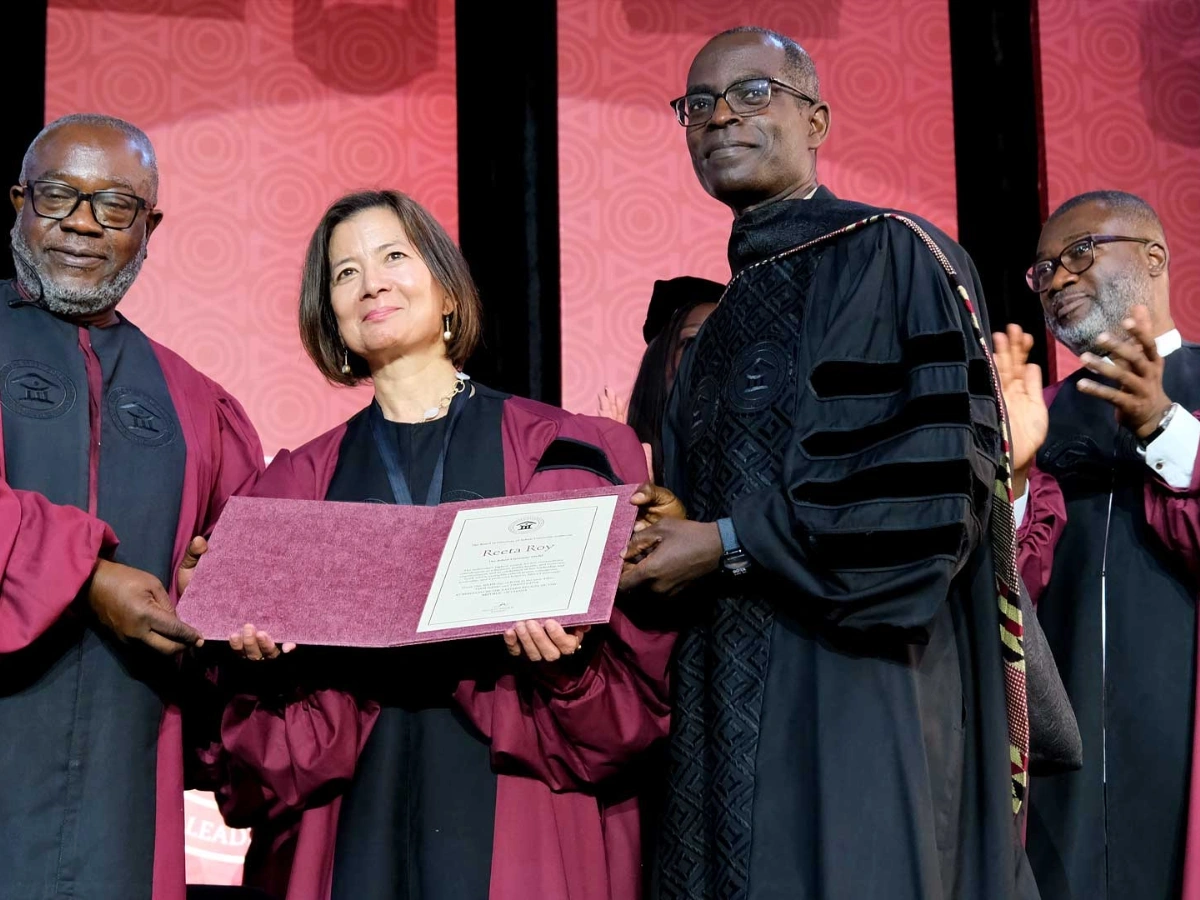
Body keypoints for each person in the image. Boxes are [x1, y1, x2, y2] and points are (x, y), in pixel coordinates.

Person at [619, 27, 1037, 899]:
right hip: (719, 707)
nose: (721, 116)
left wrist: (726, 541)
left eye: (753, 93)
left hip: (855, 687)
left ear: (818, 120)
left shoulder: (887, 254)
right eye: (698, 105)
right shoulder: (714, 325)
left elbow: (913, 505)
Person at [189, 190, 676, 900]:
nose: (372, 282)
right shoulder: (292, 488)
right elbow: (244, 748)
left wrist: (564, 667)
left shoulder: (562, 451)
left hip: (520, 793)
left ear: (447, 288)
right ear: (330, 316)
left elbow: (635, 696)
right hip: (353, 801)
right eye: (344, 273)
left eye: (393, 256)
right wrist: (252, 657)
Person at [0, 114, 263, 899]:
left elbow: (243, 557)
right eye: (58, 196)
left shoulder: (195, 403)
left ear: (150, 227)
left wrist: (218, 583)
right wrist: (86, 575)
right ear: (19, 202)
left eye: (115, 205)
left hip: (125, 769)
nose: (84, 222)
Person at [1008, 190, 1200, 900]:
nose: (1056, 280)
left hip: (1181, 734)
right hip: (1065, 751)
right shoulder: (1040, 414)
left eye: (1079, 254)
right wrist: (1019, 476)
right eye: (1043, 271)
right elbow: (1012, 592)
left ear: (1153, 256)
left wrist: (1161, 425)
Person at [625, 277, 722, 481]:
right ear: (660, 361)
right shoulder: (621, 456)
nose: (710, 358)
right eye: (691, 343)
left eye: (723, 343)